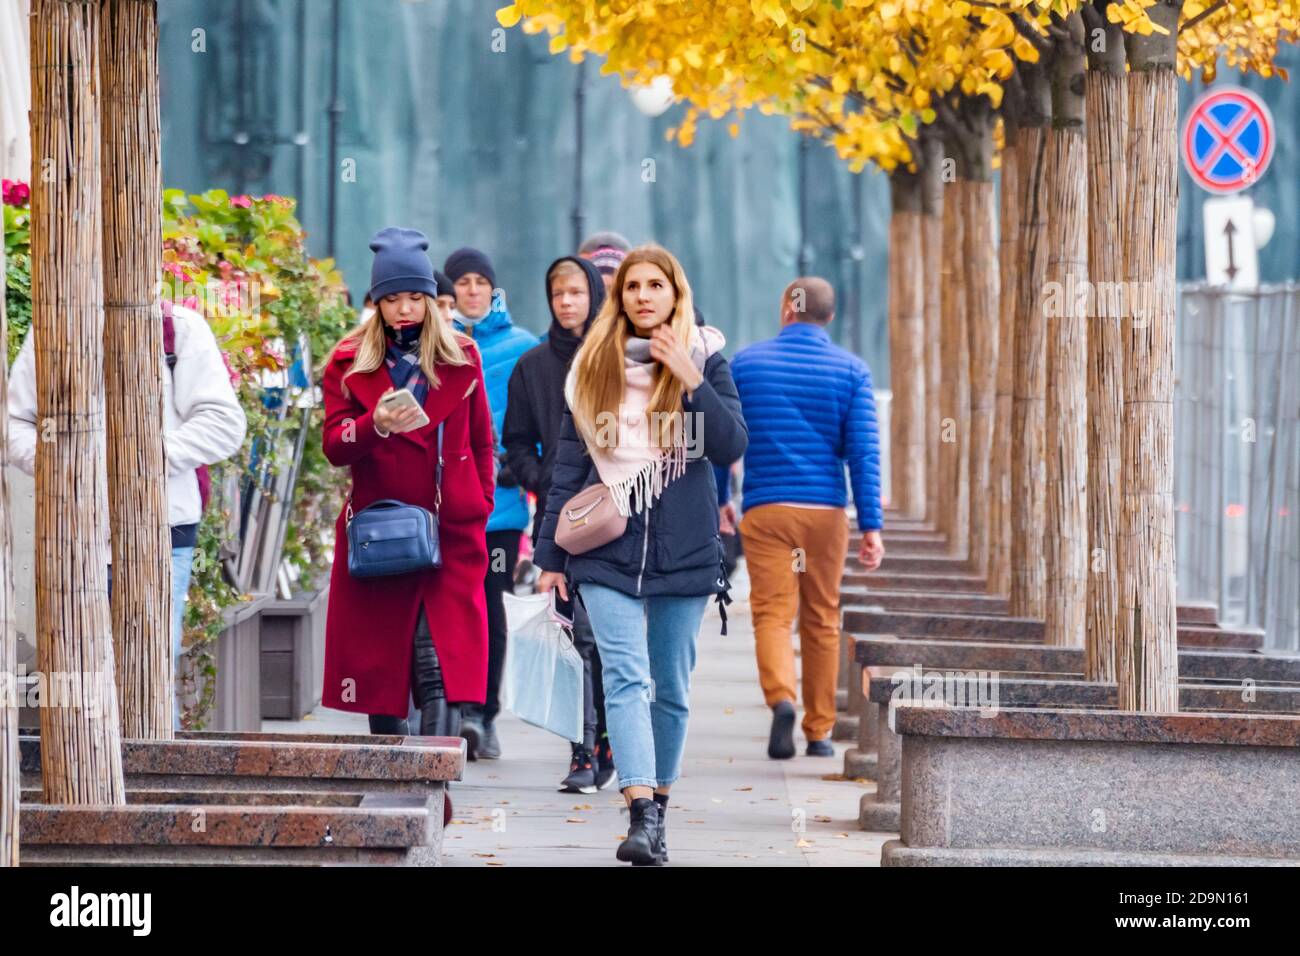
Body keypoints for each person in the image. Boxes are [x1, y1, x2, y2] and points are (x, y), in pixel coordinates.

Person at [534, 244, 747, 865]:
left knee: (671, 687)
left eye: (657, 285)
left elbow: (728, 444)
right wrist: (549, 556)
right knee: (626, 677)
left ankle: (659, 806)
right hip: (606, 547)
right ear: (619, 298)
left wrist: (689, 377)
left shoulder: (707, 359)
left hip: (684, 549)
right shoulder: (592, 367)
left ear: (676, 294)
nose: (644, 296)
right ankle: (638, 813)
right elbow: (569, 467)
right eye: (632, 287)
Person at [8, 300, 246, 730]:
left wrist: (142, 458)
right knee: (74, 668)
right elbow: (15, 423)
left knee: (149, 669)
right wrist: (57, 464)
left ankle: (153, 779)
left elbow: (224, 422)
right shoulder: (52, 327)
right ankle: (82, 780)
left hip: (162, 528)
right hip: (72, 529)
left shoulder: (179, 328)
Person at [320, 227, 495, 760]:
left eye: (414, 297)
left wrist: (479, 499)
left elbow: (483, 439)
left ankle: (431, 785)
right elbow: (334, 444)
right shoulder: (349, 362)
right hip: (381, 532)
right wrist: (376, 424)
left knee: (437, 660)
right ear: (375, 302)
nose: (403, 309)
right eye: (391, 298)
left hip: (451, 527)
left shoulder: (462, 356)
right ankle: (393, 783)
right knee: (382, 669)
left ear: (429, 299)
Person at [730, 277, 885, 761]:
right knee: (821, 618)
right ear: (829, 317)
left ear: (786, 308)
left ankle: (781, 699)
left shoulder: (746, 364)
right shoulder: (852, 371)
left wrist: (720, 498)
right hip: (824, 515)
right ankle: (819, 731)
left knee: (773, 614)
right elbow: (863, 454)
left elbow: (722, 436)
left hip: (767, 509)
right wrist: (872, 527)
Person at [503, 254, 616, 793]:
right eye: (557, 294)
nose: (567, 302)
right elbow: (516, 441)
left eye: (576, 292)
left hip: (617, 514)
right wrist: (542, 477)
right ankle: (581, 751)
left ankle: (609, 739)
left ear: (594, 294)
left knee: (608, 637)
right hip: (560, 517)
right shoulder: (533, 366)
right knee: (573, 635)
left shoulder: (617, 357)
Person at [443, 246, 538, 760]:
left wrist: (522, 468)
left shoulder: (523, 346)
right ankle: (449, 708)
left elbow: (540, 421)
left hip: (500, 504)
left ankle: (483, 713)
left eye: (482, 280)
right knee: (450, 606)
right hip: (448, 502)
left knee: (490, 606)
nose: (473, 289)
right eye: (463, 281)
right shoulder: (439, 342)